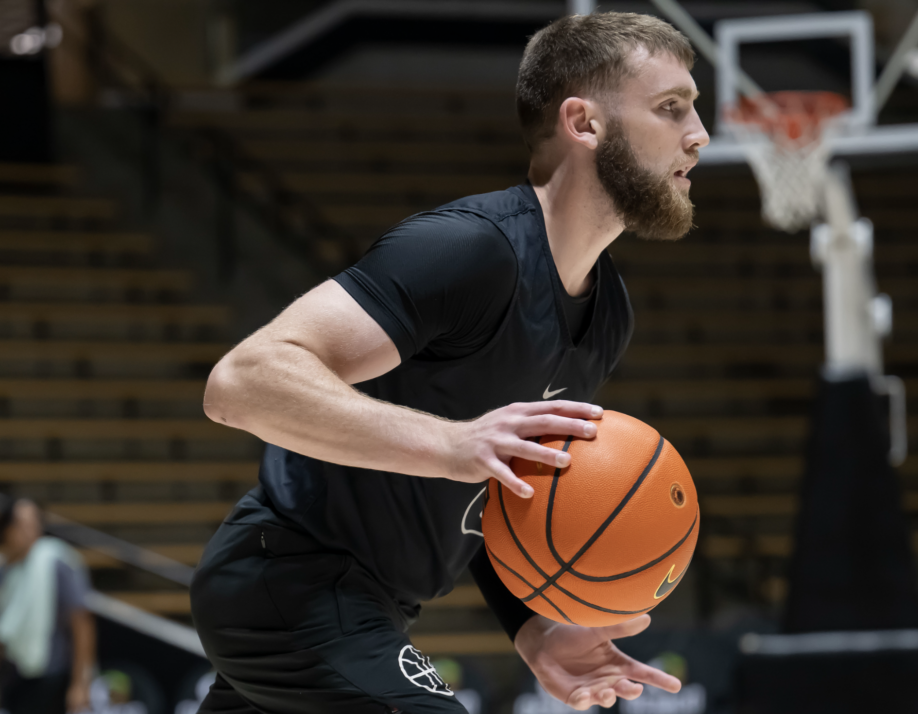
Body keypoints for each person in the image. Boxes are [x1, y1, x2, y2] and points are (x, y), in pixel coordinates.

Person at [194, 11, 709, 714]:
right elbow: (241, 383)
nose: (699, 135)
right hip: (289, 579)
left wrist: (534, 627)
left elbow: (495, 499)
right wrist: (452, 442)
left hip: (372, 608)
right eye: (671, 108)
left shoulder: (607, 312)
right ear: (583, 124)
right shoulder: (470, 252)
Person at [0, 496, 96, 714]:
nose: (29, 531)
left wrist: (81, 683)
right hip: (14, 673)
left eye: (34, 523)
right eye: (21, 524)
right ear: (7, 529)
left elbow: (82, 622)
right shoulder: (6, 570)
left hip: (52, 672)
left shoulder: (55, 561)